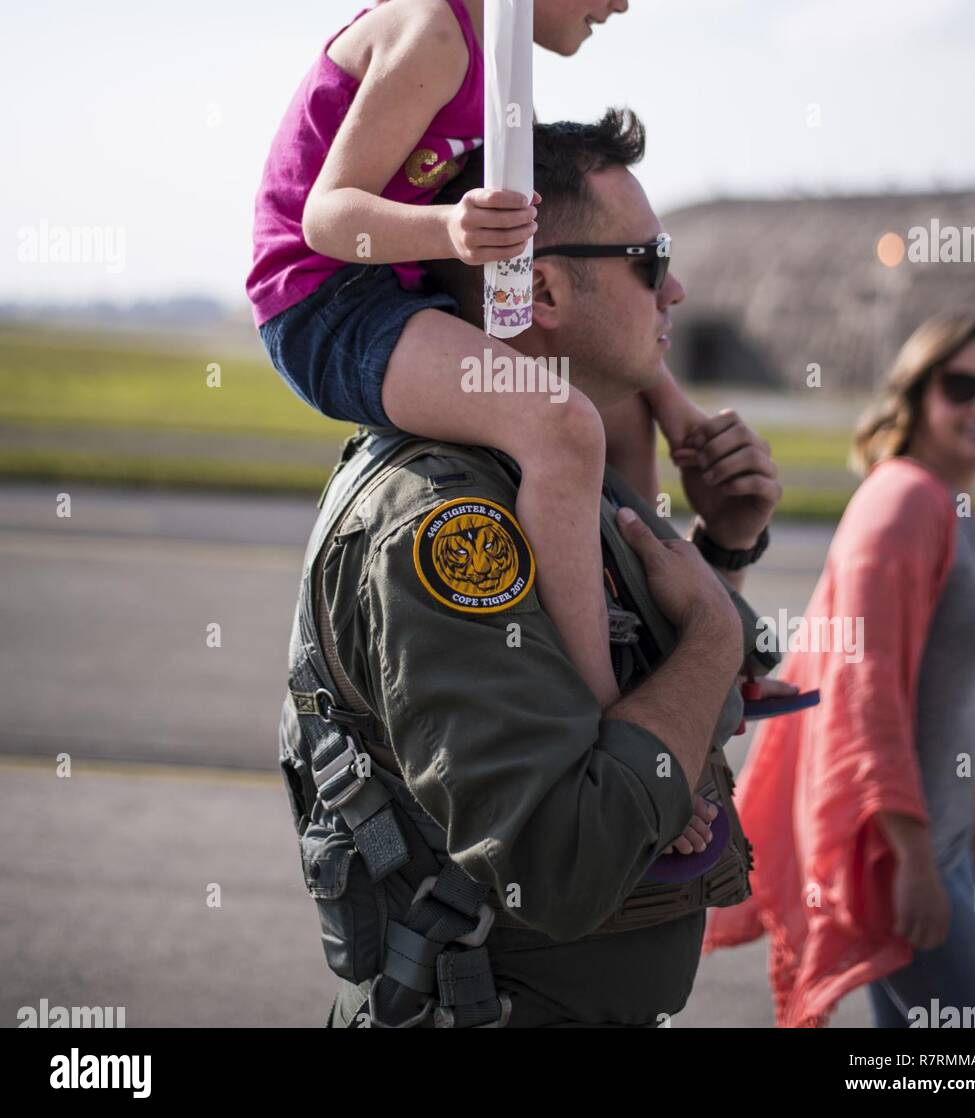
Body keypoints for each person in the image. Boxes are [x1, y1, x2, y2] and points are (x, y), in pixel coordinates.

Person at [277, 110, 789, 1028]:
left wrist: (725, 545)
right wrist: (711, 628)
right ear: (541, 290)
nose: (674, 291)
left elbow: (687, 697)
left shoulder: (555, 477)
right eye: (649, 258)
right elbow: (562, 860)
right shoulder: (451, 523)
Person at [247, 0, 711, 719]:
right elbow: (328, 217)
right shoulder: (433, 35)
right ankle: (594, 708)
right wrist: (447, 228)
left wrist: (672, 406)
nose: (621, 1)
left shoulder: (501, 63)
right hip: (328, 305)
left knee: (601, 398)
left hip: (404, 286)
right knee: (559, 423)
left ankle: (688, 635)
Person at [703, 312, 975, 1028]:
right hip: (900, 853)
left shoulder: (952, 503)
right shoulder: (904, 500)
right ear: (915, 394)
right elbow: (865, 690)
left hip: (938, 842)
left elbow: (946, 695)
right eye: (963, 385)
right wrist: (913, 858)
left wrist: (972, 831)